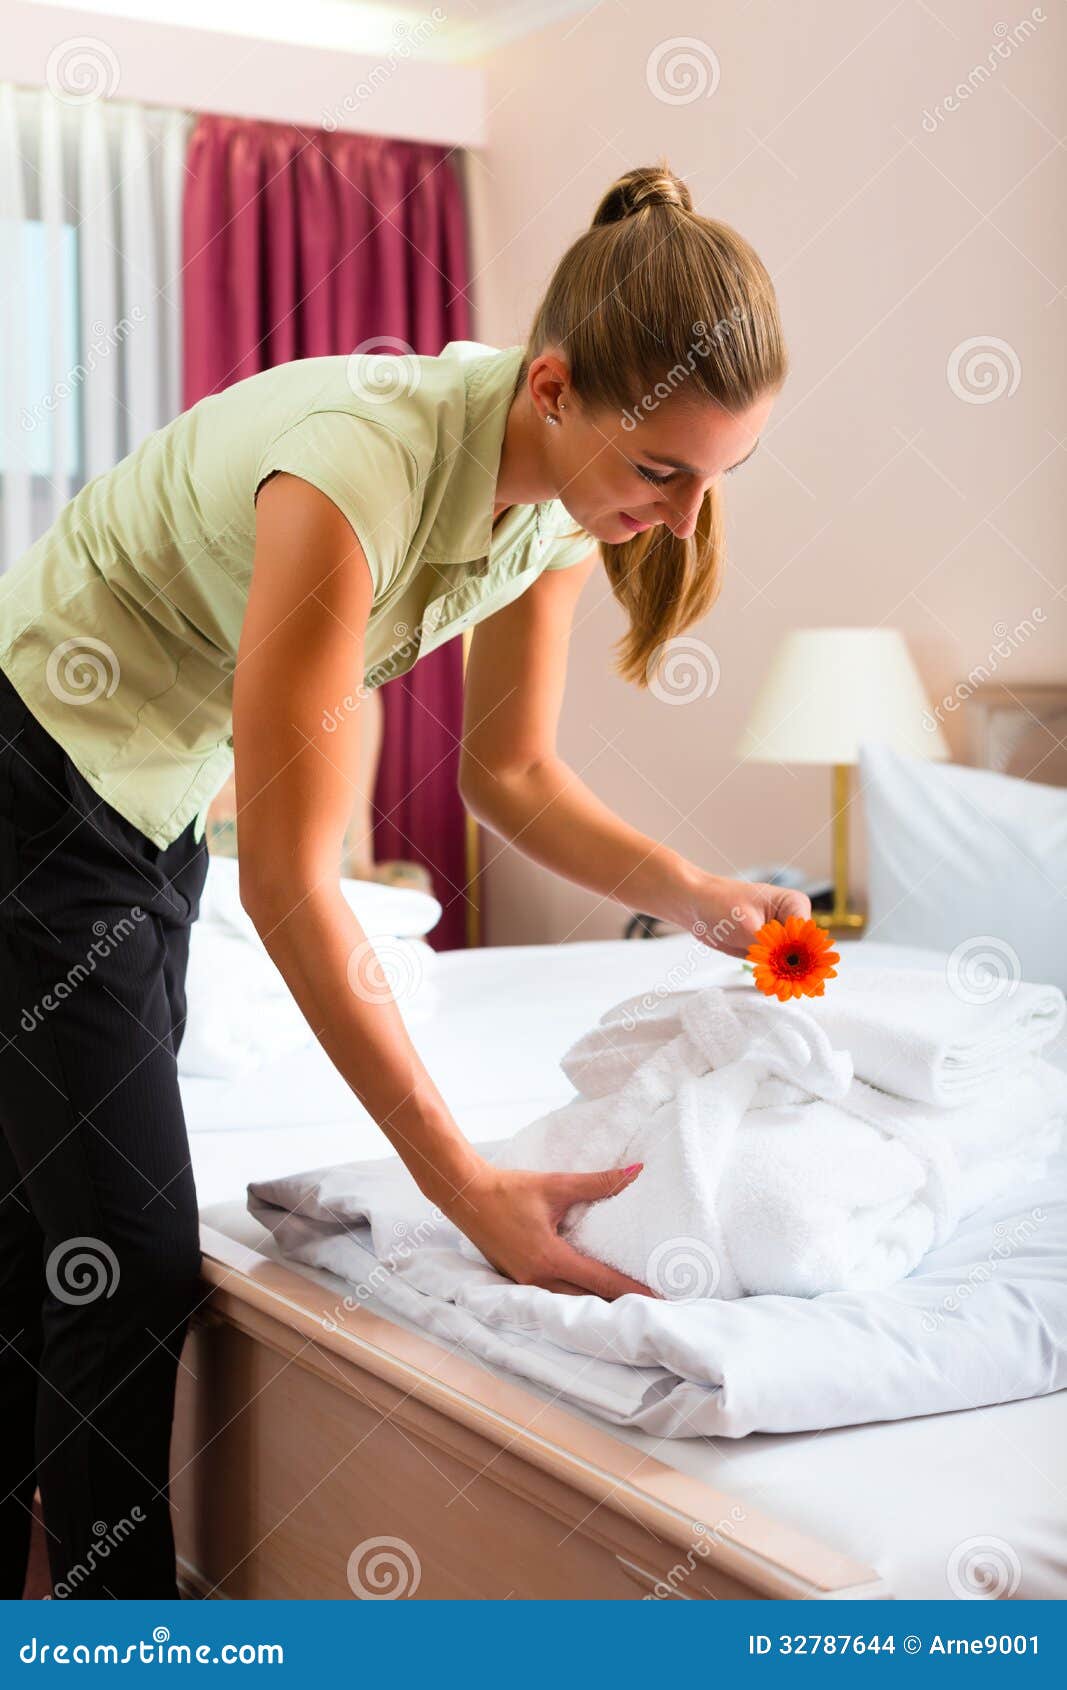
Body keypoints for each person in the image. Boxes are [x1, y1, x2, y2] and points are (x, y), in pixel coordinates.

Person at [0, 159, 811, 1599]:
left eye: (716, 479)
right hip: (35, 767)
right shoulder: (350, 472)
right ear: (554, 390)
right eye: (662, 472)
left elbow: (512, 777)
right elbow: (296, 889)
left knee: (45, 1224)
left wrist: (693, 886)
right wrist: (467, 1182)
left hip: (154, 793)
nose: (682, 521)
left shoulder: (564, 509)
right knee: (126, 1255)